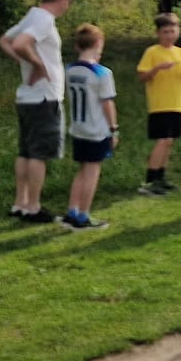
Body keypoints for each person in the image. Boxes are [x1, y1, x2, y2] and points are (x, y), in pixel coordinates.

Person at [0, 0, 74, 223]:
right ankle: (33, 207)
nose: (68, 6)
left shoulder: (32, 15)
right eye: (69, 1)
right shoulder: (44, 19)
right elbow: (21, 44)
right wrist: (38, 65)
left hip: (27, 97)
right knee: (38, 154)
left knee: (25, 151)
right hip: (44, 97)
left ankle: (20, 203)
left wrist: (25, 62)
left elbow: (5, 40)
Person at [62, 23, 117, 230]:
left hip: (78, 127)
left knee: (82, 170)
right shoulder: (102, 72)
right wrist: (113, 129)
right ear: (98, 44)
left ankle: (72, 211)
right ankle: (83, 215)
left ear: (77, 45)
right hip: (96, 130)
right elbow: (107, 103)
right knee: (92, 172)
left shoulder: (69, 69)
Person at [136, 13, 181, 196]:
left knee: (169, 142)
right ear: (158, 33)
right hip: (160, 104)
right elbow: (142, 76)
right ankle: (150, 179)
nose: (169, 35)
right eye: (165, 32)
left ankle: (161, 176)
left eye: (172, 31)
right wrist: (157, 68)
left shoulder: (180, 52)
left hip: (177, 103)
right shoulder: (153, 52)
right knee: (162, 141)